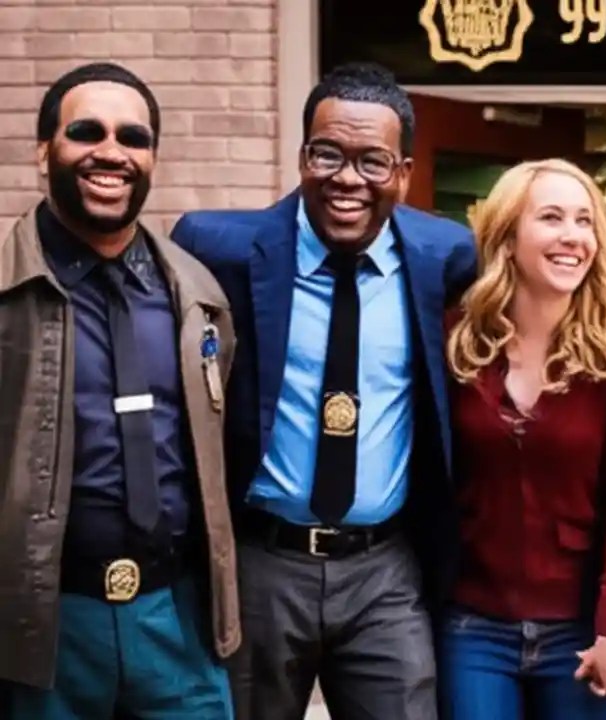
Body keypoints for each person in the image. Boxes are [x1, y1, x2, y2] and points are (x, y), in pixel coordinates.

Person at [170, 62, 475, 720]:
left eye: (373, 161)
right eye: (328, 153)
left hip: (384, 571)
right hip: (262, 564)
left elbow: (544, 292)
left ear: (404, 173)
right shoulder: (215, 247)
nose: (347, 178)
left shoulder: (446, 256)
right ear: (303, 155)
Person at [0, 62, 239, 718]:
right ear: (43, 151)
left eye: (133, 137)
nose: (112, 152)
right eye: (86, 131)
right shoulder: (5, 293)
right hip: (45, 636)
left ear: (153, 158)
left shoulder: (200, 297)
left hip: (178, 623)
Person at [440, 158, 606, 719]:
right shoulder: (457, 340)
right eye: (552, 218)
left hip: (580, 629)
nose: (573, 236)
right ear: (508, 238)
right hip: (473, 624)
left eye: (585, 221)